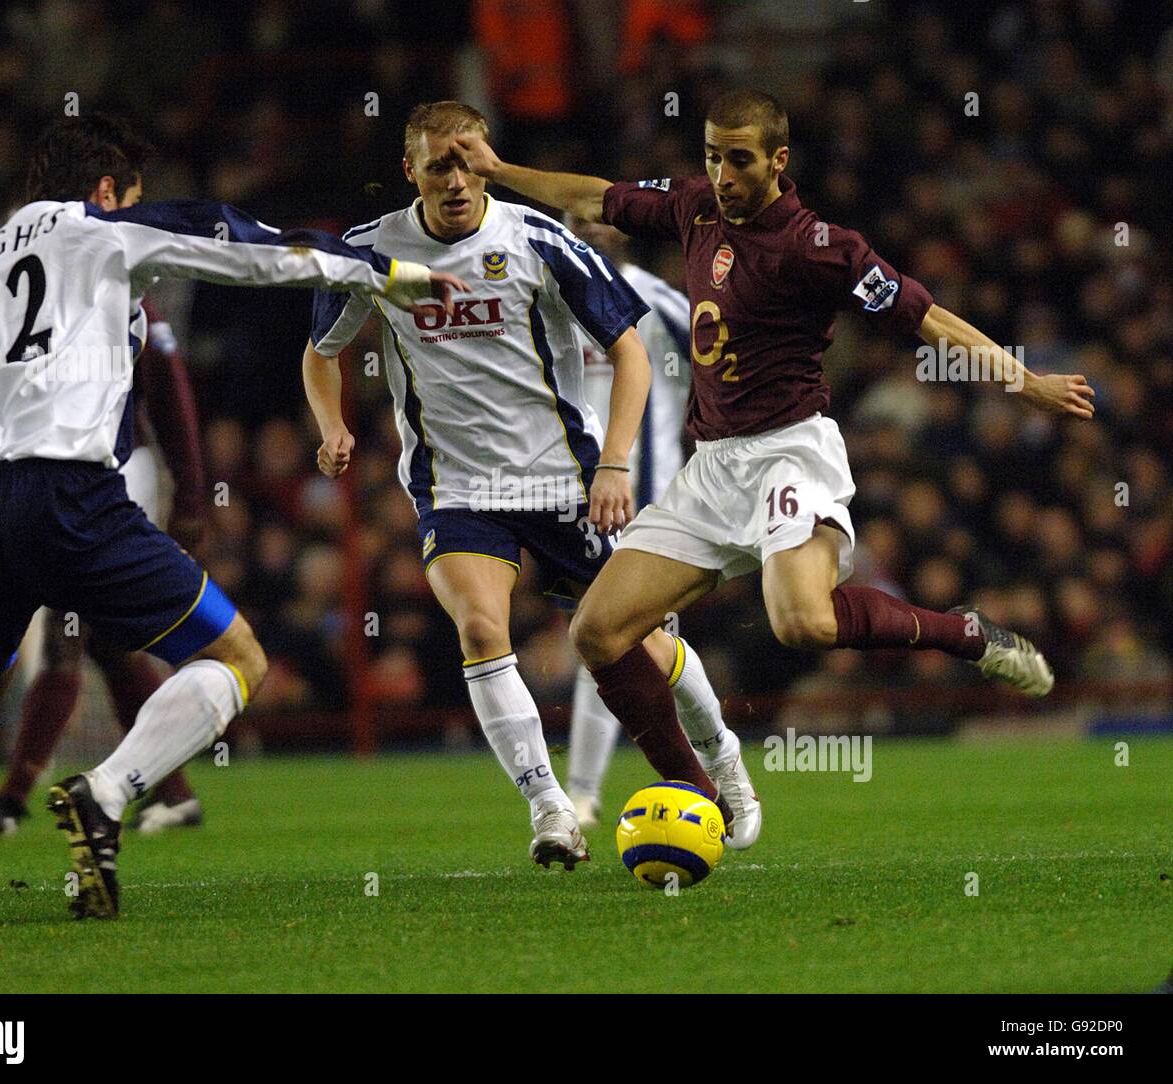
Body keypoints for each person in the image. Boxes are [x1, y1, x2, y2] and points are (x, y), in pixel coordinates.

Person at [0, 112, 466, 919]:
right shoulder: (104, 235)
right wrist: (384, 273)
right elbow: (247, 248)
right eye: (129, 198)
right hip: (69, 494)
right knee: (237, 657)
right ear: (108, 190)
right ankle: (109, 793)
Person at [450, 87, 1095, 805]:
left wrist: (1025, 381)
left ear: (778, 161)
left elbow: (929, 318)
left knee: (802, 622)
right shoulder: (695, 207)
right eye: (712, 157)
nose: (722, 175)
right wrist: (498, 169)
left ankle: (965, 635)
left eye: (739, 161)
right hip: (712, 466)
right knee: (598, 631)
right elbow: (598, 196)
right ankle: (707, 791)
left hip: (789, 452)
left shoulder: (819, 247)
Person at [303, 101, 759, 870]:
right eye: (438, 165)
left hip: (565, 480)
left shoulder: (536, 240)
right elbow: (322, 350)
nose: (455, 179)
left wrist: (613, 464)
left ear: (487, 160)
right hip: (457, 486)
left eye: (467, 161)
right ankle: (551, 807)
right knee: (481, 629)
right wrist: (331, 424)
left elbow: (632, 350)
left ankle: (725, 765)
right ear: (409, 169)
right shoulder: (367, 250)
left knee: (642, 639)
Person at [0, 302, 208, 837]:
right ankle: (175, 793)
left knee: (66, 631)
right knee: (106, 644)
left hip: (119, 476)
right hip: (64, 481)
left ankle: (12, 798)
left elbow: (173, 406)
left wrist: (191, 498)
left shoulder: (135, 308)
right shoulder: (47, 306)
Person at [560, 216, 753, 833]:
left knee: (620, 636)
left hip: (647, 501)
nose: (590, 228)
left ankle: (591, 793)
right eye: (576, 218)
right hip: (569, 495)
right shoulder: (550, 293)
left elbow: (727, 360)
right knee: (610, 638)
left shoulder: (656, 300)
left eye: (599, 217)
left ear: (622, 231)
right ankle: (713, 760)